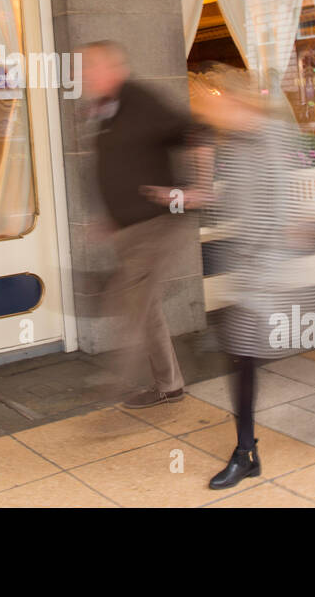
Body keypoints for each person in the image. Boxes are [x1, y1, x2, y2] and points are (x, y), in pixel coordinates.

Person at [175, 63, 315, 489]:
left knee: (258, 352)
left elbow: (288, 194)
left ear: (232, 98)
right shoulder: (229, 143)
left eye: (212, 102)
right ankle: (246, 451)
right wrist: (198, 181)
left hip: (276, 265)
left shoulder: (273, 135)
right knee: (250, 355)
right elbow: (220, 204)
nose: (207, 111)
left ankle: (248, 451)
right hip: (251, 267)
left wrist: (289, 239)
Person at [79, 40, 203, 409]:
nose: (86, 76)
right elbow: (121, 165)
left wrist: (192, 191)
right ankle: (169, 384)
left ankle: (109, 393)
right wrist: (111, 218)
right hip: (130, 227)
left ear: (113, 69)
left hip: (155, 224)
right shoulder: (107, 110)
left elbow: (195, 132)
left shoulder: (142, 100)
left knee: (131, 302)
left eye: (91, 68)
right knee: (144, 307)